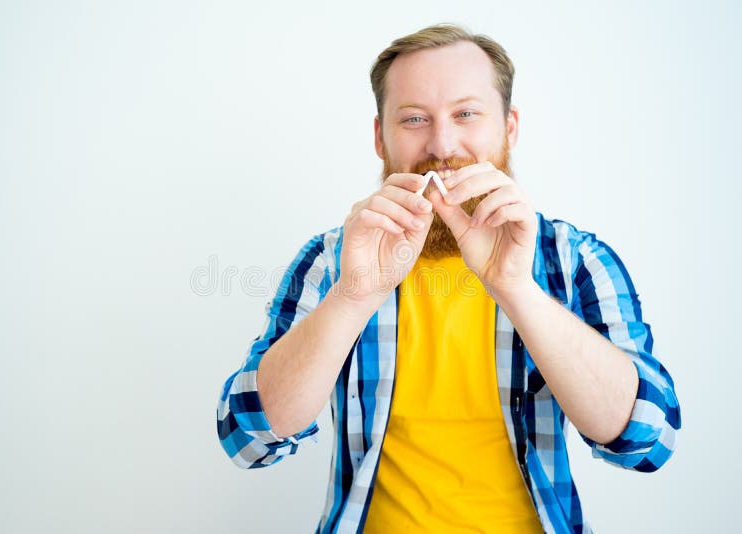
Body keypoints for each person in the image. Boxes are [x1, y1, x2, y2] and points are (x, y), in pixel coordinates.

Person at [216, 23, 681, 533]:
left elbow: (649, 442)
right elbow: (247, 439)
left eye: (466, 114)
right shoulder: (333, 262)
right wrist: (353, 297)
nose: (442, 145)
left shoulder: (576, 261)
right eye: (414, 118)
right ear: (380, 137)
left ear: (510, 126)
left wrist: (517, 289)